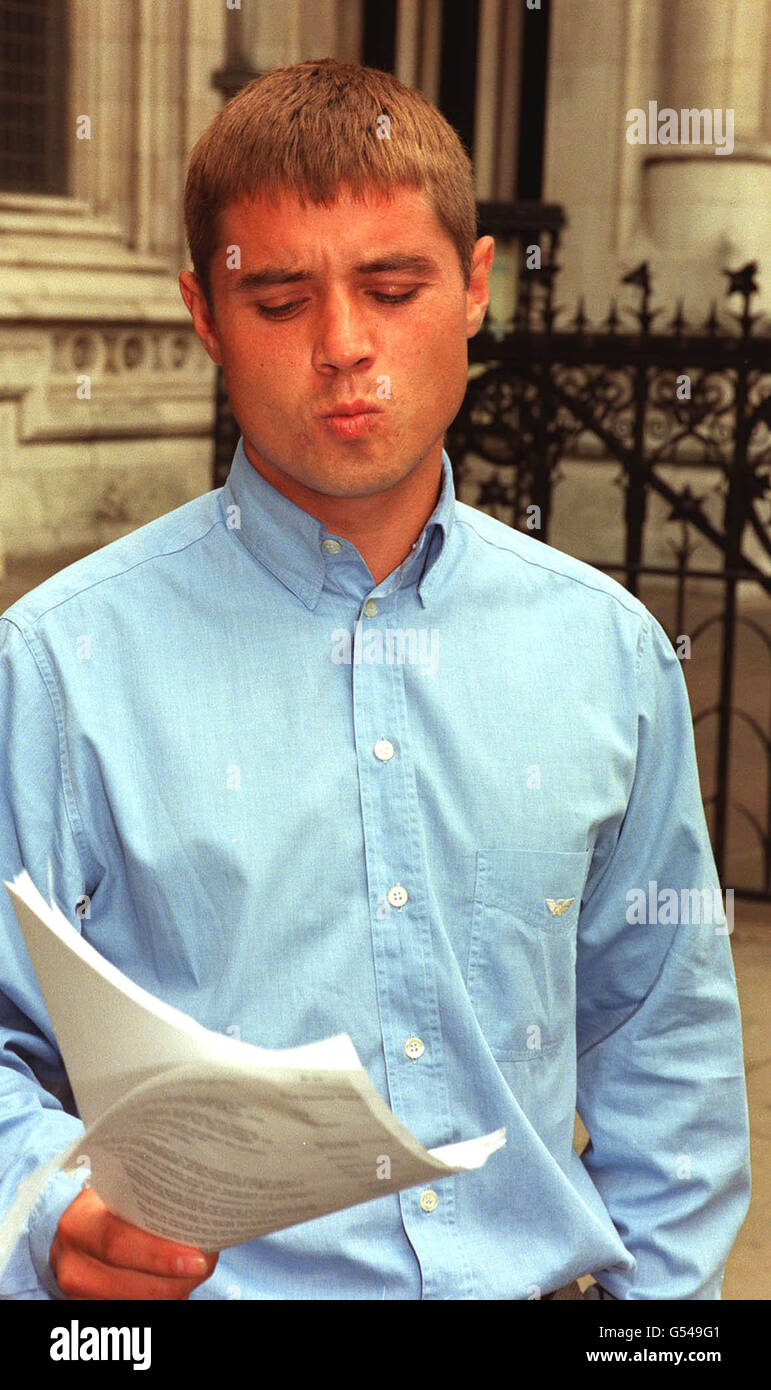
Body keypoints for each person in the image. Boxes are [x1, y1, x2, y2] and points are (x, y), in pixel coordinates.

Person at [0, 58, 750, 1301]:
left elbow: (662, 1045)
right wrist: (43, 1212)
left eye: (392, 287)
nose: (346, 347)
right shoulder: (58, 666)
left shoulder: (610, 656)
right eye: (282, 301)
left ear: (474, 288)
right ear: (205, 313)